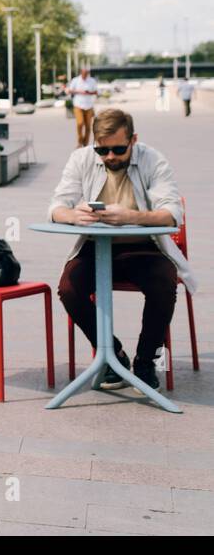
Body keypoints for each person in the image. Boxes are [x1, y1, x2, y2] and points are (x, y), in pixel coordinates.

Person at [48, 109, 196, 390]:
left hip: (144, 247)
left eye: (118, 149)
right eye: (102, 150)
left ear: (133, 140)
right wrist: (73, 214)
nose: (110, 157)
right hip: (94, 247)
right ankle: (111, 353)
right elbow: (56, 206)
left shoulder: (153, 159)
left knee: (164, 283)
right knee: (69, 288)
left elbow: (172, 214)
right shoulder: (81, 159)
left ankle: (146, 362)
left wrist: (131, 216)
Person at [67, 66, 98, 147]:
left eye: (86, 73)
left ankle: (85, 143)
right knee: (80, 123)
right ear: (81, 72)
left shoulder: (92, 81)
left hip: (89, 105)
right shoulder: (75, 80)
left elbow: (96, 92)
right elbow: (70, 90)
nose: (85, 74)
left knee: (88, 126)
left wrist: (89, 92)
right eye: (83, 73)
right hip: (78, 104)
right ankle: (80, 141)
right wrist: (79, 91)